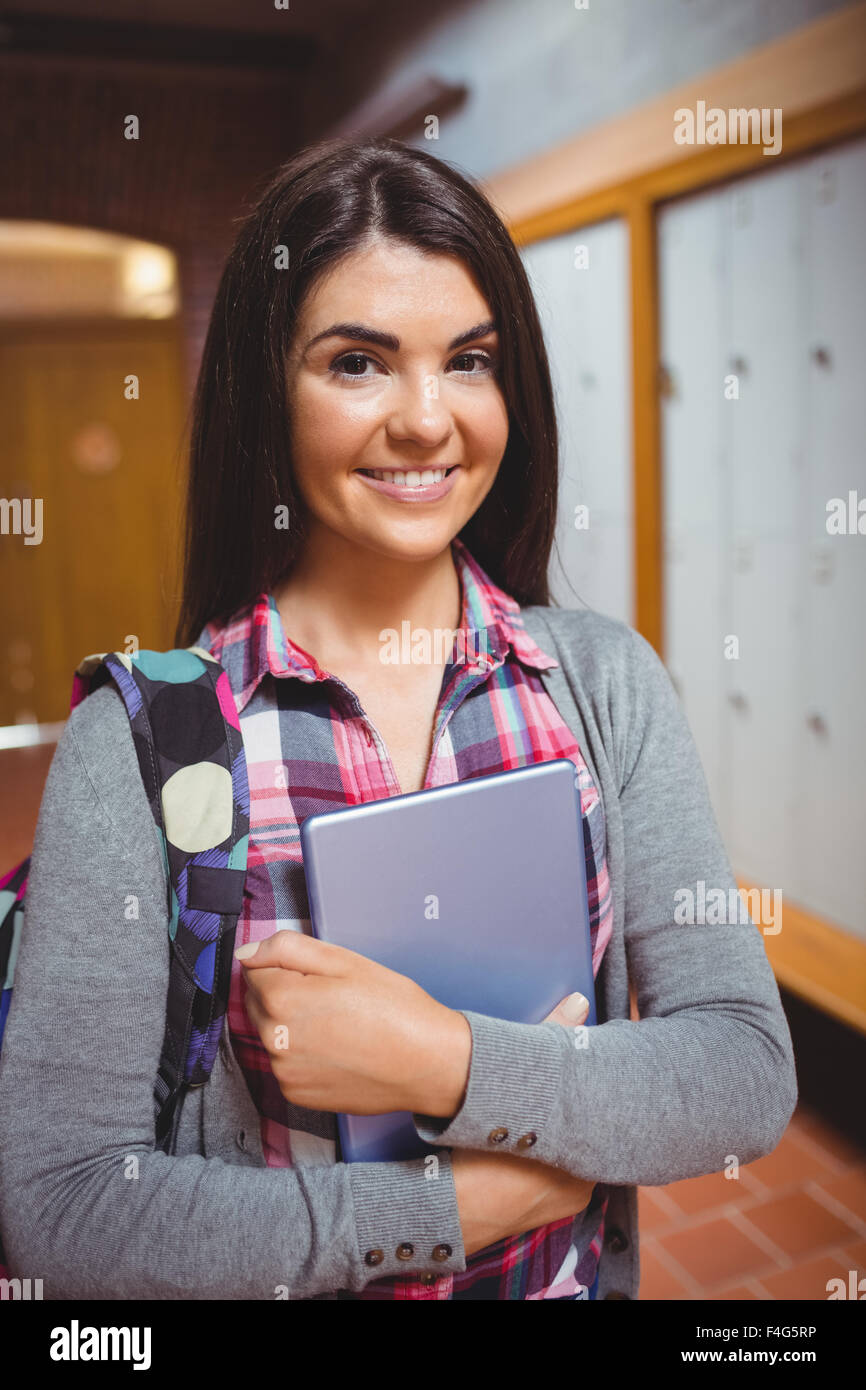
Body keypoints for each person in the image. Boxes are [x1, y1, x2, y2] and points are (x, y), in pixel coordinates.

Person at [0, 136, 797, 1301]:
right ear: (265, 389)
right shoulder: (143, 749)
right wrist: (436, 1213)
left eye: (467, 360)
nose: (427, 421)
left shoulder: (602, 684)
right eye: (359, 363)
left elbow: (739, 1071)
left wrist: (440, 1059)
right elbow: (66, 1205)